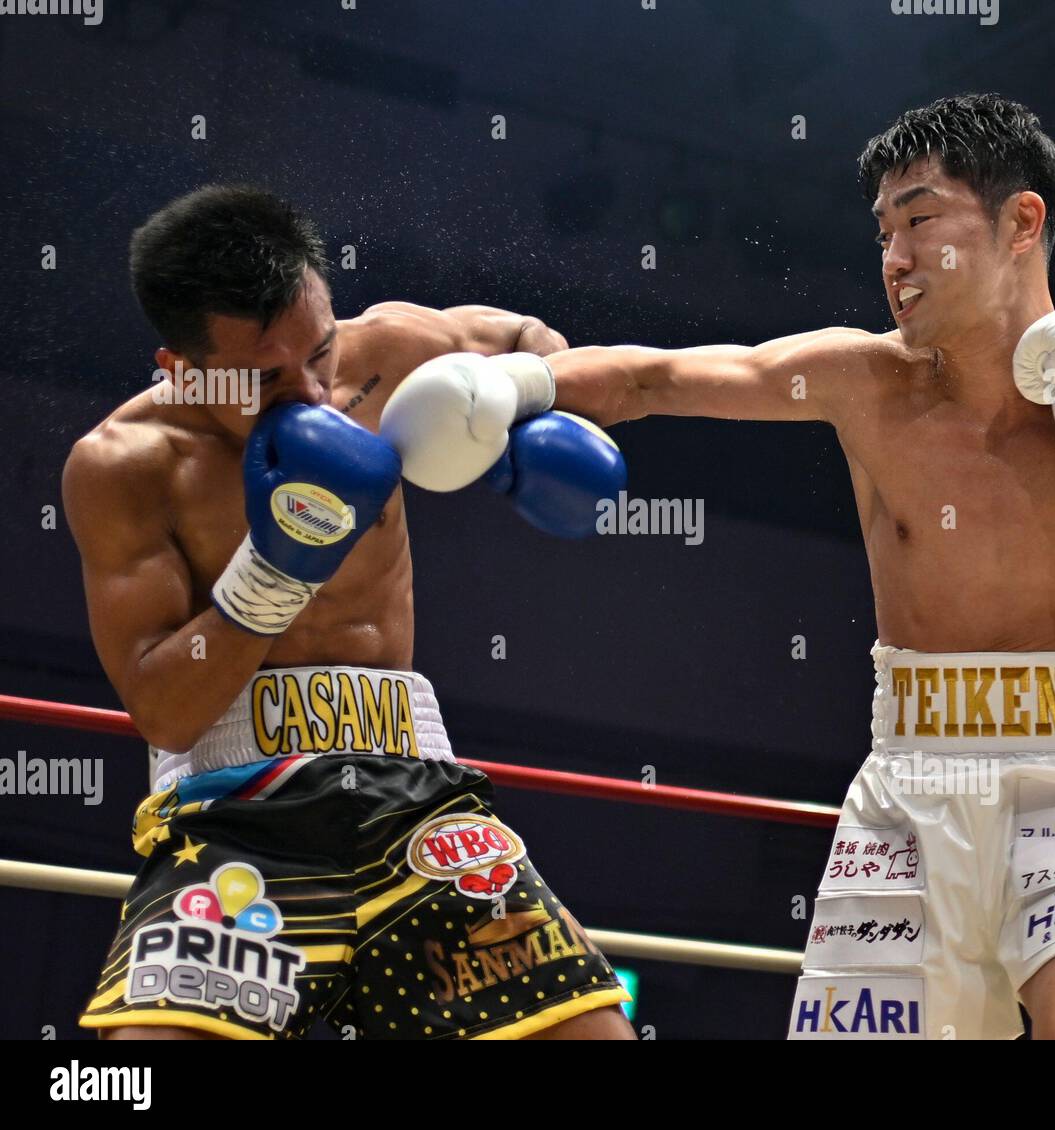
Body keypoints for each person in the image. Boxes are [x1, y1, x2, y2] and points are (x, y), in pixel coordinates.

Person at [461, 93, 1055, 1039]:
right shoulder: (863, 381)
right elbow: (652, 378)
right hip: (911, 781)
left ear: (1021, 221)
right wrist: (497, 386)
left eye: (919, 219)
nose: (895, 261)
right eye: (882, 234)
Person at [67, 183, 633, 1040]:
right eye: (264, 378)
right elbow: (164, 708)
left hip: (413, 793)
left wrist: (511, 408)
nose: (309, 393)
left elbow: (533, 341)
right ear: (180, 369)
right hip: (232, 814)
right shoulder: (125, 466)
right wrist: (281, 564)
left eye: (319, 353)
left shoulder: (392, 348)